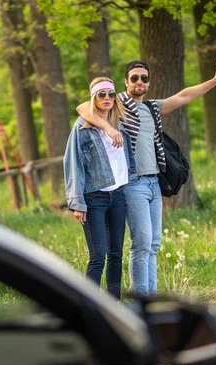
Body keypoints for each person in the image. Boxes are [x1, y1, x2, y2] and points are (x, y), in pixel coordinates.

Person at [76, 56, 216, 296]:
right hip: (133, 183)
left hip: (153, 183)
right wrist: (108, 127)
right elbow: (83, 108)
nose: (140, 82)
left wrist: (215, 79)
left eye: (144, 79)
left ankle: (152, 298)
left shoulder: (151, 108)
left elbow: (184, 96)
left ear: (148, 83)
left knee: (154, 244)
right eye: (134, 78)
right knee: (142, 243)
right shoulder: (118, 104)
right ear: (126, 82)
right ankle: (141, 301)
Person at [64, 77, 136, 300]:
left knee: (116, 254)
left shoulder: (119, 124)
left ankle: (113, 303)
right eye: (101, 94)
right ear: (93, 97)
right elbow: (73, 163)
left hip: (118, 196)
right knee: (98, 255)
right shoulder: (82, 128)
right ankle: (90, 304)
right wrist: (77, 203)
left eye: (110, 94)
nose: (107, 98)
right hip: (94, 197)